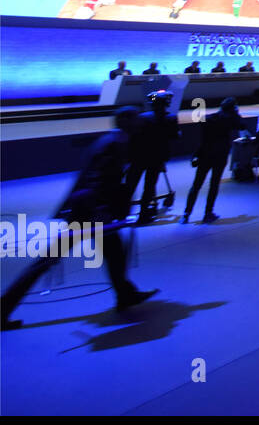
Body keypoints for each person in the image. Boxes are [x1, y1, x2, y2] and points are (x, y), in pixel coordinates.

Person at [2, 108, 158, 329]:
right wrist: (102, 212)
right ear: (124, 121)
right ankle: (3, 308)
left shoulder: (110, 140)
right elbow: (97, 180)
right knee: (49, 260)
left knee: (113, 255)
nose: (140, 124)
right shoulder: (113, 144)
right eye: (135, 119)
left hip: (88, 211)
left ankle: (125, 295)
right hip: (90, 213)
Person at [124, 90, 179, 223]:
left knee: (130, 185)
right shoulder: (171, 118)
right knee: (149, 186)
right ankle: (143, 215)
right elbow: (174, 136)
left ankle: (121, 214)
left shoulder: (142, 117)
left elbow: (133, 137)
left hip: (139, 157)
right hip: (157, 158)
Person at [184, 97, 242, 223]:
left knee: (196, 185)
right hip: (220, 156)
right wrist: (236, 113)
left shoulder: (208, 118)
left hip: (205, 154)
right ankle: (208, 213)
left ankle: (186, 213)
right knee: (214, 185)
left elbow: (203, 138)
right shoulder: (230, 120)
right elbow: (242, 125)